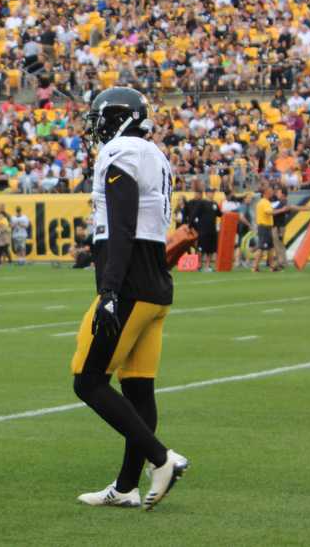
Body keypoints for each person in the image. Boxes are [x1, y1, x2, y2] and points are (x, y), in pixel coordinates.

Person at [71, 87, 188, 511]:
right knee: (138, 389)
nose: (96, 128)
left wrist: (109, 291)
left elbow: (121, 224)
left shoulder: (120, 150)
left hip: (132, 284)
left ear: (114, 119)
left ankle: (162, 459)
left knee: (88, 380)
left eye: (99, 119)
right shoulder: (154, 154)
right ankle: (125, 487)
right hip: (155, 281)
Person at [184, 181, 220, 272]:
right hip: (203, 229)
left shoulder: (215, 204)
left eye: (213, 192)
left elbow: (220, 214)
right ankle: (198, 265)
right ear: (207, 193)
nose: (212, 194)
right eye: (211, 192)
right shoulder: (202, 203)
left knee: (210, 249)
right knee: (201, 248)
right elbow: (194, 215)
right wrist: (189, 225)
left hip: (212, 229)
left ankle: (208, 265)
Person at [251, 185, 277, 272]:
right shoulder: (265, 202)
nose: (272, 192)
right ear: (266, 193)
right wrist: (276, 210)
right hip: (264, 227)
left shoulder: (262, 202)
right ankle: (254, 266)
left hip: (265, 227)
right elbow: (268, 211)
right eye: (270, 191)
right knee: (261, 248)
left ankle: (272, 266)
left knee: (270, 248)